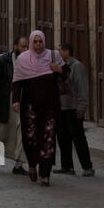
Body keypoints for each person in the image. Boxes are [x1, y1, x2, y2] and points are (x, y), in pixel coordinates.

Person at [11, 29, 66, 186]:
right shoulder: (23, 59)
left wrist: (59, 70)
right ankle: (33, 165)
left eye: (40, 41)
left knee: (48, 138)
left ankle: (45, 173)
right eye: (34, 42)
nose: (37, 45)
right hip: (30, 107)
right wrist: (15, 100)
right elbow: (17, 82)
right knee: (31, 138)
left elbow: (66, 75)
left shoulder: (53, 56)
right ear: (30, 43)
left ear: (44, 41)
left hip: (50, 105)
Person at [0, 36, 29, 175]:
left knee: (20, 134)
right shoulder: (2, 61)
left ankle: (18, 165)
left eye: (27, 47)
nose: (26, 49)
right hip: (2, 102)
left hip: (22, 102)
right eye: (23, 46)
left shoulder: (31, 62)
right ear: (15, 47)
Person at [56, 42, 95, 177]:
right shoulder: (60, 66)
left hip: (73, 107)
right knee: (62, 137)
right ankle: (67, 166)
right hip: (62, 107)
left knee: (78, 138)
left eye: (60, 50)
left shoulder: (77, 66)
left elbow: (82, 87)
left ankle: (87, 166)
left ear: (67, 51)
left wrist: (82, 106)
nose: (58, 53)